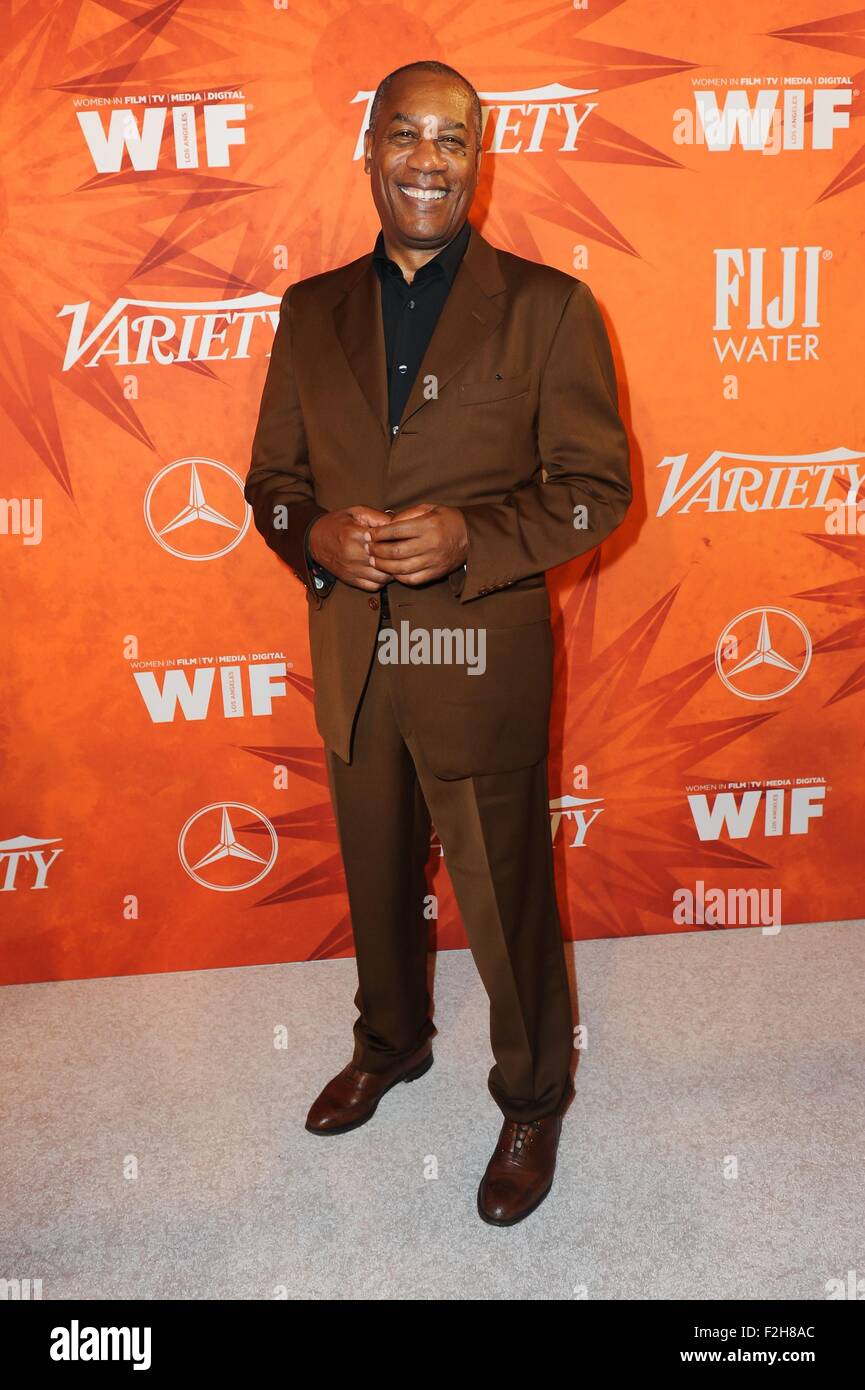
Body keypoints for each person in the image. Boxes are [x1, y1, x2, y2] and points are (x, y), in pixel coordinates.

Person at [244, 59, 632, 1225]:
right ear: (369, 149)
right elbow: (269, 480)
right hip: (356, 657)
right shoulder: (308, 312)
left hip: (480, 660)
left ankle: (532, 1093)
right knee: (374, 878)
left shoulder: (550, 306)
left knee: (503, 892)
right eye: (405, 136)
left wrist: (474, 534)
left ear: (479, 160)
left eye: (451, 140)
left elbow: (595, 491)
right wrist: (314, 534)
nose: (427, 159)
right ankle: (391, 1042)